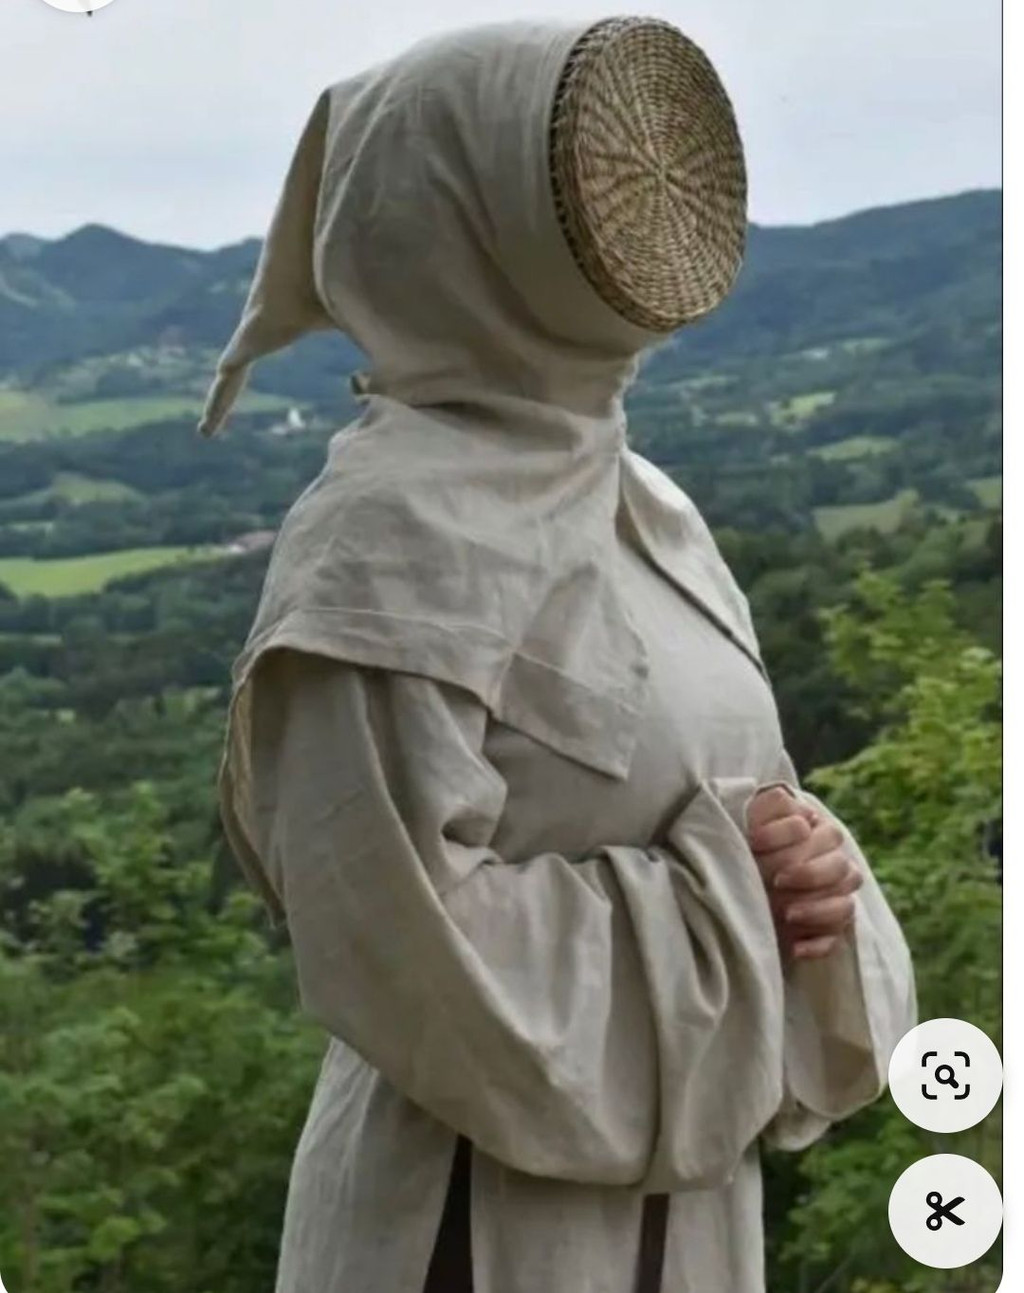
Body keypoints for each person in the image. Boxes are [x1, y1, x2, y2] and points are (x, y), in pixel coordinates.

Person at [198, 15, 917, 1293]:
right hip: (470, 1226)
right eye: (565, 171)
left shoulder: (647, 505)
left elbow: (721, 801)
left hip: (691, 1219)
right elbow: (394, 936)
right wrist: (730, 900)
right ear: (457, 217)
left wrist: (809, 863)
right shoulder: (382, 539)